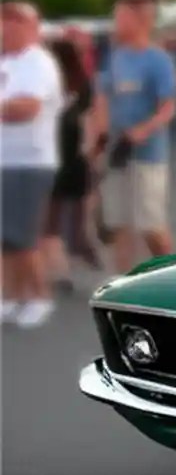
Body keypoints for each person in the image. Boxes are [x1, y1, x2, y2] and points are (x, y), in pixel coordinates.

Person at [89, 0, 176, 275]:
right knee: (119, 223)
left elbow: (168, 107)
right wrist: (97, 140)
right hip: (117, 152)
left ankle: (172, 275)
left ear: (142, 21)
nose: (116, 22)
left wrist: (144, 130)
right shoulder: (115, 58)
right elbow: (103, 98)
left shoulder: (157, 60)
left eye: (121, 17)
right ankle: (122, 282)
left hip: (147, 155)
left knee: (151, 225)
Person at [1, 1, 63, 328]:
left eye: (13, 24)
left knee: (23, 236)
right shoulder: (7, 62)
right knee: (5, 237)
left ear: (31, 28)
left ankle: (39, 297)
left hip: (29, 161)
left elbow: (26, 108)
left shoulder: (38, 63)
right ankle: (11, 296)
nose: (5, 30)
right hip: (5, 160)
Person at [42, 38, 99, 293]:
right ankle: (76, 257)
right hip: (77, 159)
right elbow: (91, 122)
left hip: (52, 157)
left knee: (50, 220)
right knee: (76, 218)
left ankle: (59, 269)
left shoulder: (49, 85)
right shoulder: (84, 85)